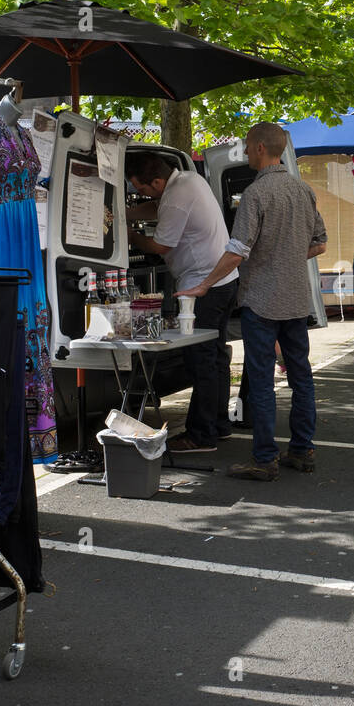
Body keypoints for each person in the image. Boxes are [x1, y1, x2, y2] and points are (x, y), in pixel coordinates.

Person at [176, 121, 327, 481]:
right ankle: (303, 449)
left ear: (261, 148)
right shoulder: (303, 190)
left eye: (246, 146)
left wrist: (205, 285)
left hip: (261, 300)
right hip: (295, 297)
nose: (244, 152)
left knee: (260, 381)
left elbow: (238, 250)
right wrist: (287, 255)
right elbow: (320, 243)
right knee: (301, 376)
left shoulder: (256, 195)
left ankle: (264, 458)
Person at [125, 150, 238, 454]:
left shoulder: (175, 197)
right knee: (215, 357)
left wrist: (131, 236)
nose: (139, 195)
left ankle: (201, 435)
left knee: (200, 359)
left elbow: (161, 244)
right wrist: (126, 213)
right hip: (223, 280)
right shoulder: (188, 179)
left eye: (141, 188)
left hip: (203, 285)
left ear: (158, 181)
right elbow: (156, 206)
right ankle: (218, 424)